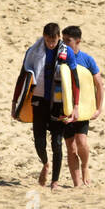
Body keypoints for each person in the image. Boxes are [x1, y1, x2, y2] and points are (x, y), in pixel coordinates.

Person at [17, 23, 78, 189]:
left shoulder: (67, 52)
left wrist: (76, 105)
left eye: (53, 41)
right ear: (44, 36)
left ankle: (55, 181)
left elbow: (74, 79)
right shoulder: (33, 52)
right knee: (39, 141)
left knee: (57, 143)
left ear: (59, 37)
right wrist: (15, 103)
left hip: (58, 102)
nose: (51, 44)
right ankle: (45, 163)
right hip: (39, 100)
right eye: (48, 41)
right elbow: (23, 76)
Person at [60, 25, 104, 187]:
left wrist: (98, 108)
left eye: (67, 40)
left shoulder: (87, 60)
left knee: (82, 142)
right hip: (65, 108)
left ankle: (85, 166)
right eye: (62, 40)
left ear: (77, 41)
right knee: (70, 147)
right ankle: (77, 183)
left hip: (83, 108)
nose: (63, 43)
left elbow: (99, 85)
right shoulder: (60, 58)